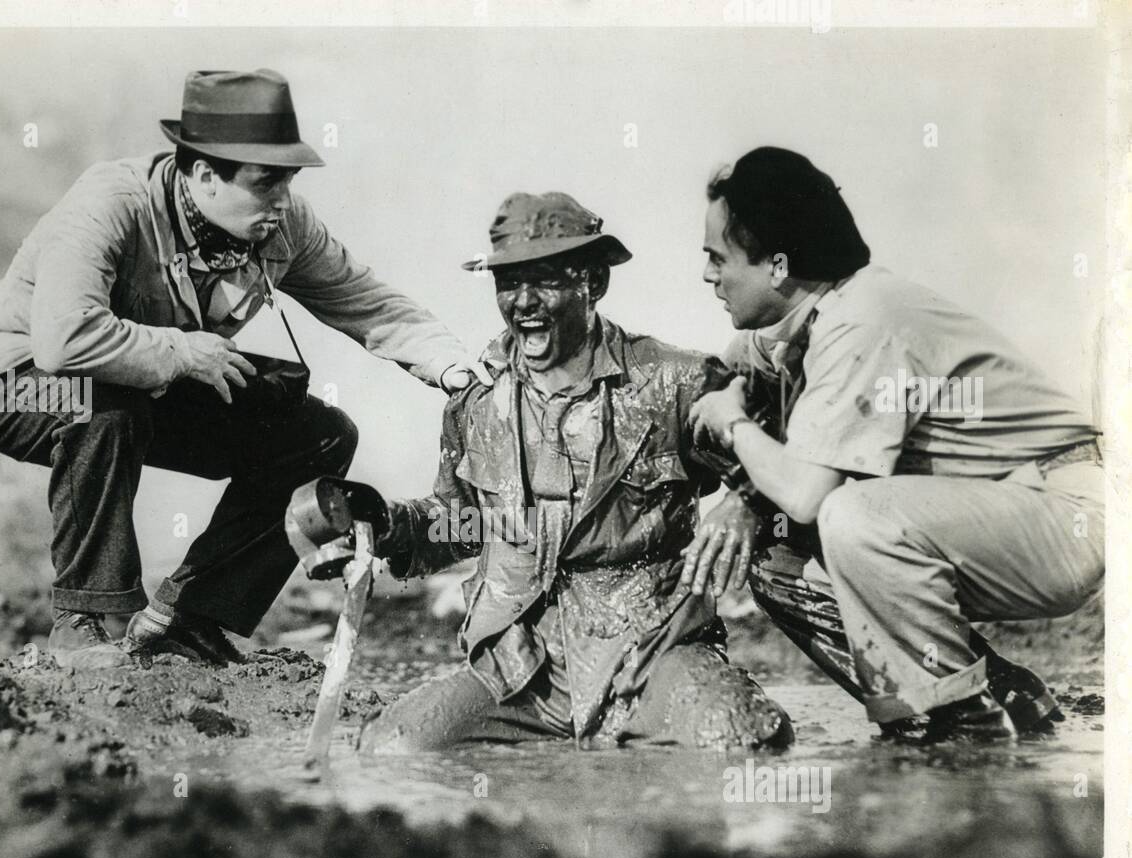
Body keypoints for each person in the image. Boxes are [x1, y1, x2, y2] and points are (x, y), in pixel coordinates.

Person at [0, 69, 479, 668]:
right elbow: (62, 341)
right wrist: (181, 350)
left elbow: (368, 303)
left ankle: (189, 621)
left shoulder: (282, 226)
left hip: (138, 388)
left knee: (320, 434)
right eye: (266, 183)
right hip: (8, 385)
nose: (283, 201)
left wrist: (457, 368)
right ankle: (86, 621)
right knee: (103, 406)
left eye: (290, 182)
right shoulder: (109, 204)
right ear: (204, 174)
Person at [349, 192, 791, 751]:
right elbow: (461, 525)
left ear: (594, 282)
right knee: (393, 747)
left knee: (740, 736)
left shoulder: (674, 382)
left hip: (653, 655)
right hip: (521, 669)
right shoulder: (476, 404)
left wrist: (746, 501)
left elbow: (782, 455)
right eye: (509, 282)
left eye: (548, 280)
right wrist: (382, 523)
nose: (524, 302)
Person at [688, 146, 1104, 741]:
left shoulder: (864, 320)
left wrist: (735, 426)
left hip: (1067, 513)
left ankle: (956, 720)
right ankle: (996, 691)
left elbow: (806, 495)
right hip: (1001, 511)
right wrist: (739, 492)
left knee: (850, 515)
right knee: (778, 560)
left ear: (777, 266)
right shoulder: (802, 324)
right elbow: (718, 379)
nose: (707, 275)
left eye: (717, 256)